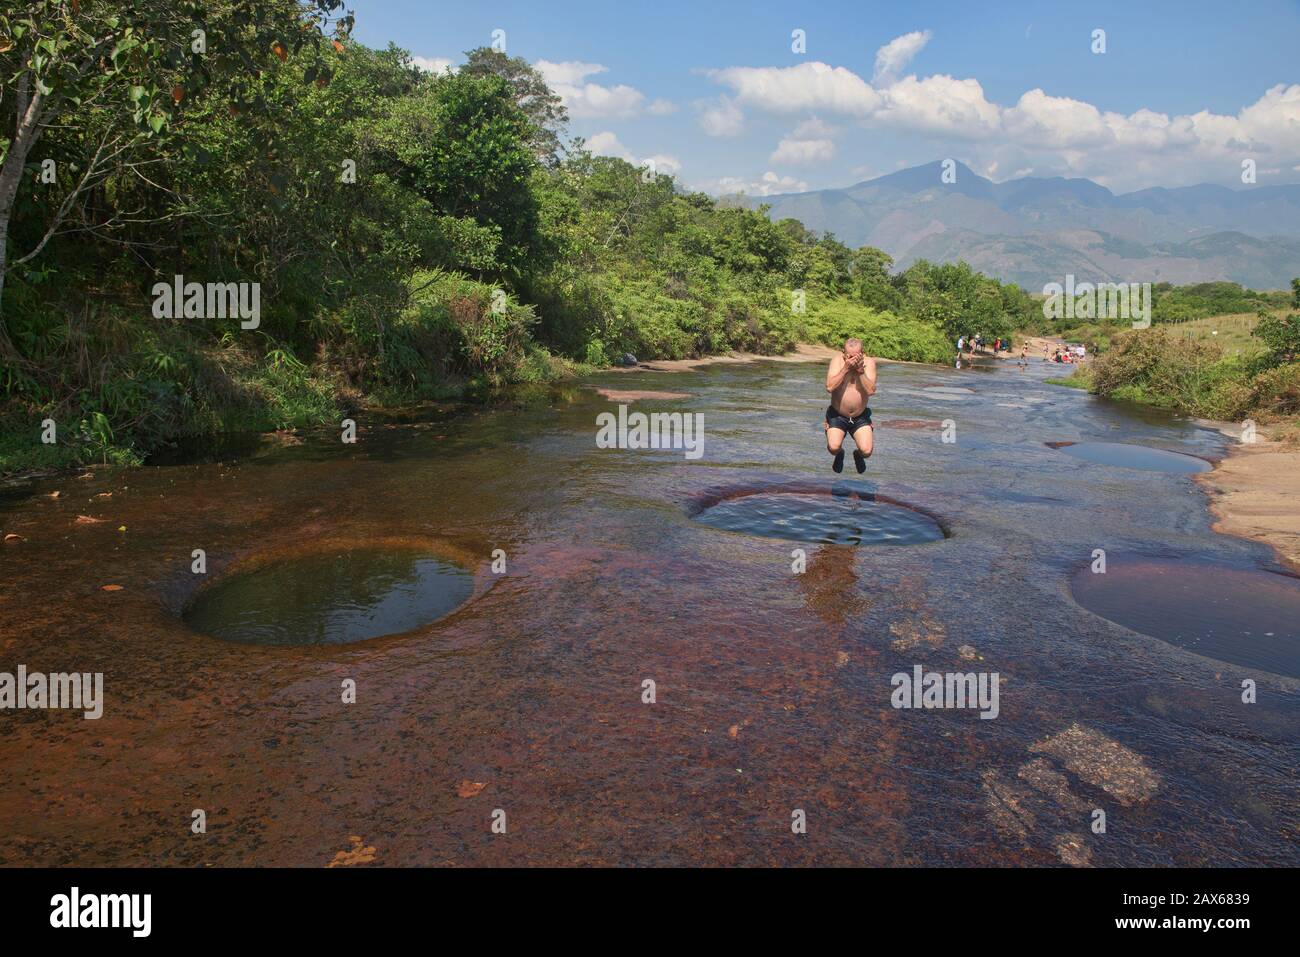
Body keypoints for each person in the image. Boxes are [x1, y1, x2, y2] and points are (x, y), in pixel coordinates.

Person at [824, 338, 877, 474]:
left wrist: (860, 372)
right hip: (838, 414)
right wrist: (845, 369)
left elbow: (871, 391)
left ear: (862, 353)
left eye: (856, 356)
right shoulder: (837, 361)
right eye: (849, 356)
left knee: (866, 451)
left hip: (860, 416)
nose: (853, 359)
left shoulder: (869, 363)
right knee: (833, 447)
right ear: (843, 353)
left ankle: (857, 455)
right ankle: (840, 454)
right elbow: (829, 387)